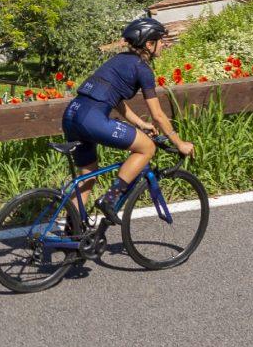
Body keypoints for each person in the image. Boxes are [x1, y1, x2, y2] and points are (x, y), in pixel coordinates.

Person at [59, 16, 193, 224]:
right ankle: (109, 200)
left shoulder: (118, 60)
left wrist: (140, 124)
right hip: (91, 118)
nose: (164, 44)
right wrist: (179, 143)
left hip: (72, 114)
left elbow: (116, 100)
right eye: (161, 40)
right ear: (149, 44)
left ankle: (72, 233)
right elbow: (158, 114)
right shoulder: (142, 68)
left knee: (88, 174)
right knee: (147, 148)